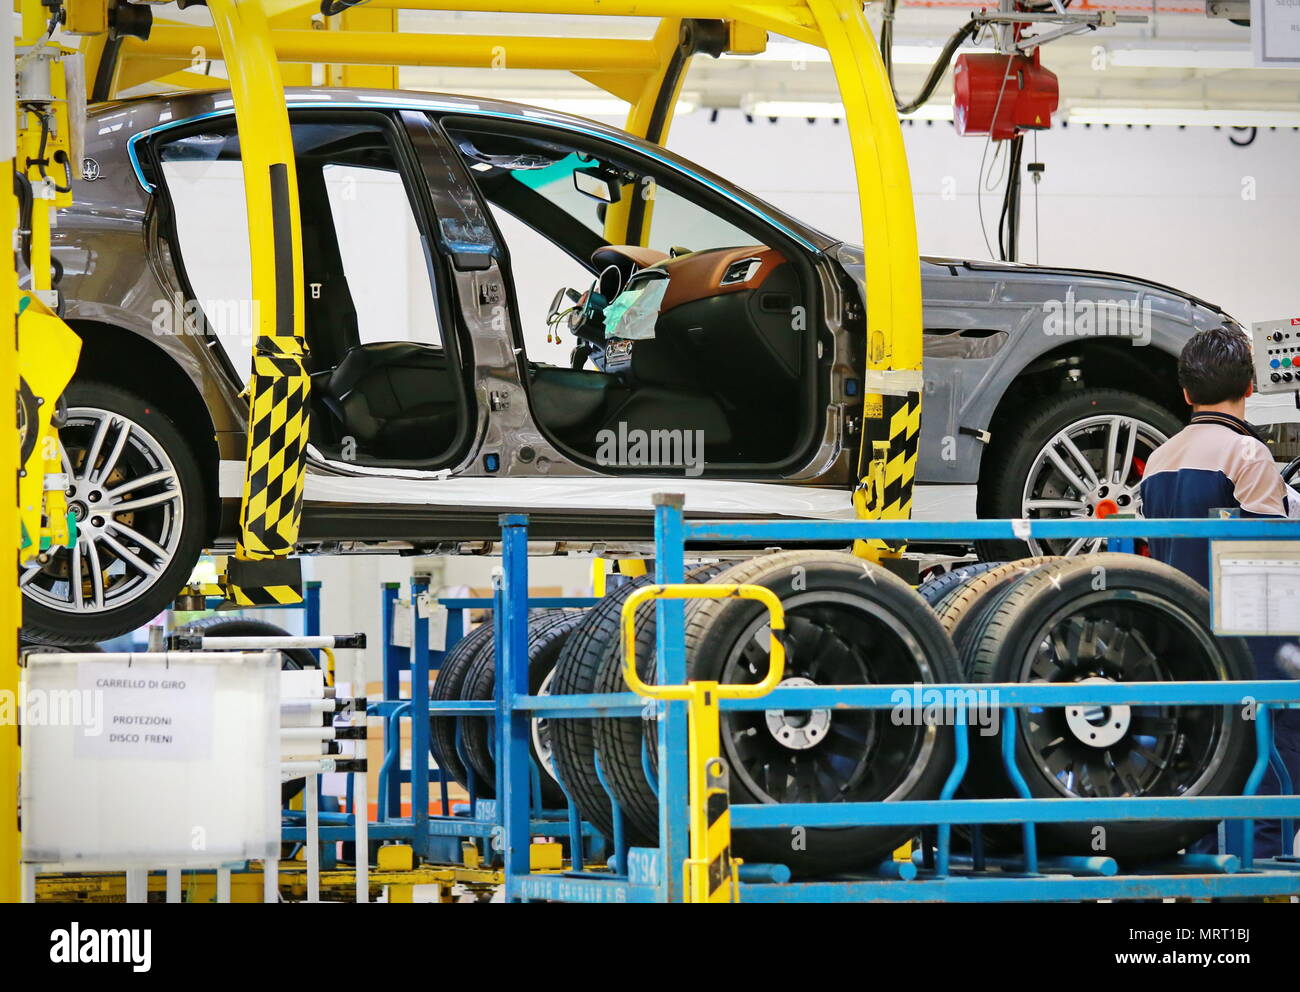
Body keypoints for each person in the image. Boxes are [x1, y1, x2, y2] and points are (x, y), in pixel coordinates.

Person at [1140, 324, 1300, 860]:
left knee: (1202, 766)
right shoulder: (1248, 455)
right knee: (1271, 769)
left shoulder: (1158, 459)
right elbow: (1270, 557)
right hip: (1250, 646)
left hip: (1183, 640)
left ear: (1186, 393)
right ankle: (1255, 882)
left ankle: (1204, 866)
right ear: (1250, 386)